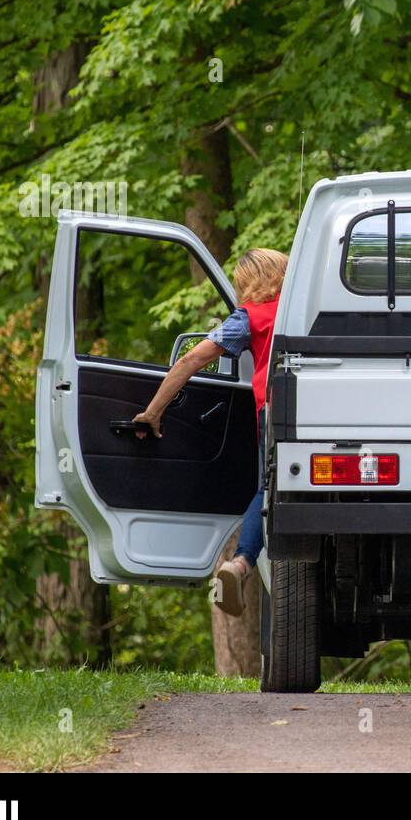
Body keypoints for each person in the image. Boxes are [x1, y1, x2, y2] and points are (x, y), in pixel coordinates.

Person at [132, 247, 289, 617]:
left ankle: (241, 564)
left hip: (278, 408)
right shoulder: (307, 306)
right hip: (330, 409)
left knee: (268, 489)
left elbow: (191, 359)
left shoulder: (248, 317)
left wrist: (153, 411)